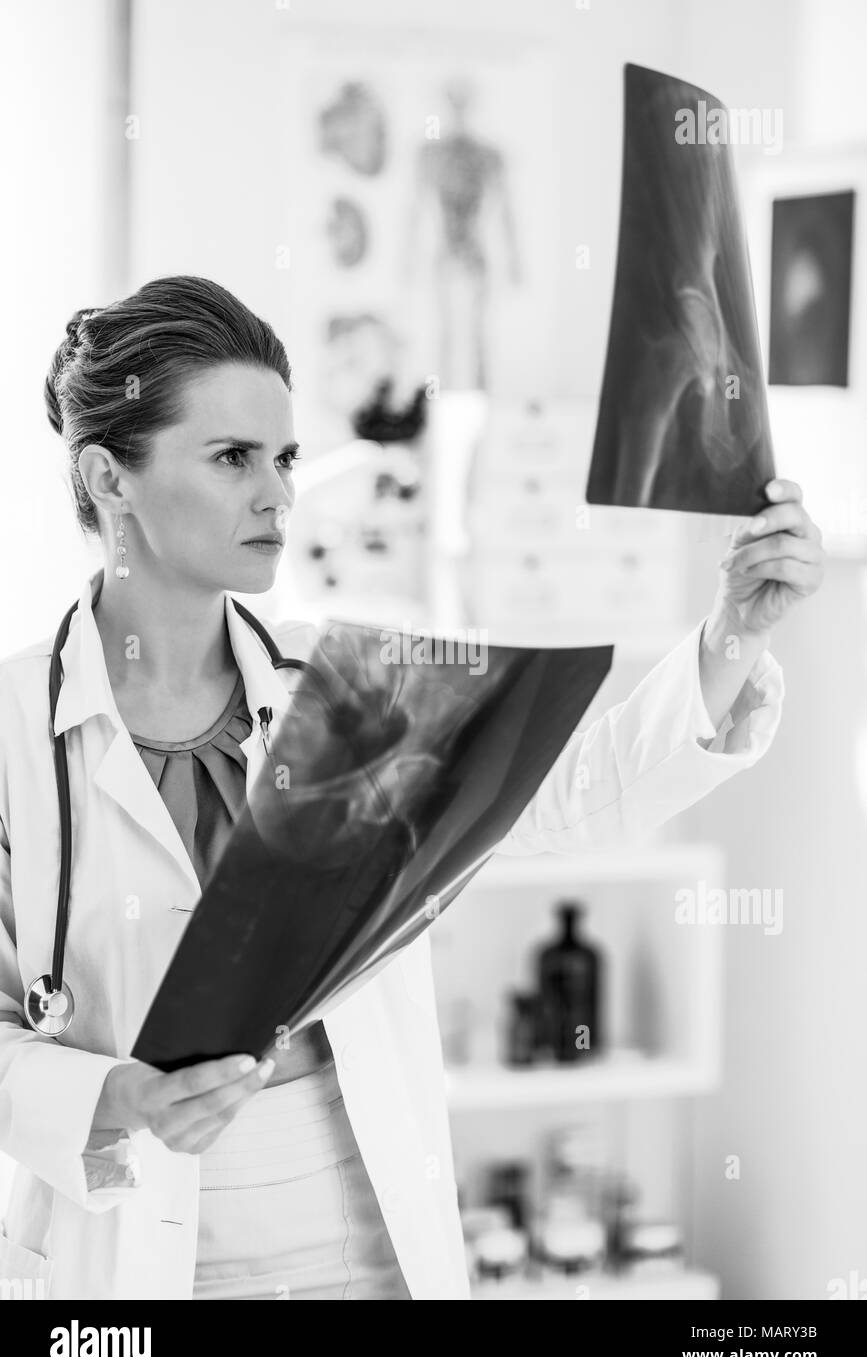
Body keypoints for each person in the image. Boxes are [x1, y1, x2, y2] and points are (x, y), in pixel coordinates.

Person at [0, 276, 823, 1300]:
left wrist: (732, 632)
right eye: (232, 458)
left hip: (366, 1250)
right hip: (131, 1264)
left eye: (287, 457)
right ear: (109, 478)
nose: (279, 495)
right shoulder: (13, 733)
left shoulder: (339, 685)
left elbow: (559, 800)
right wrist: (118, 1094)